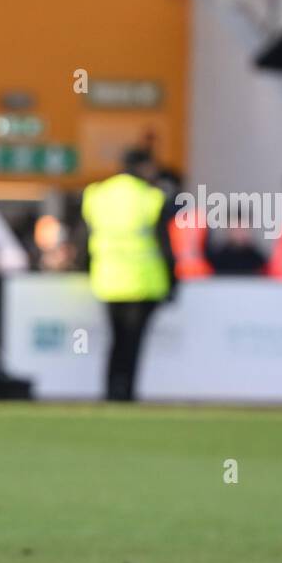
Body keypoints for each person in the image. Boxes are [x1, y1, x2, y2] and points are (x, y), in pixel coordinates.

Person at [81, 149, 172, 402]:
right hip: (143, 282)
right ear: (143, 167)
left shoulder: (98, 195)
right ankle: (127, 392)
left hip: (108, 280)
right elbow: (164, 244)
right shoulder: (150, 197)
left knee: (116, 339)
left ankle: (111, 390)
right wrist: (173, 281)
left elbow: (84, 238)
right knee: (132, 342)